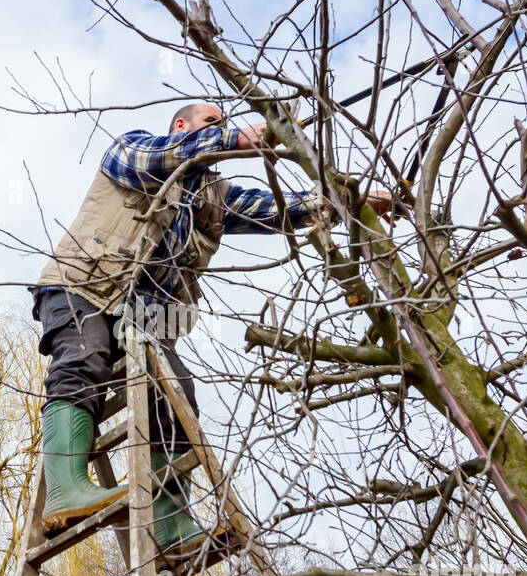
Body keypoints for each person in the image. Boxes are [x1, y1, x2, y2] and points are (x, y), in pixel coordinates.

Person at [29, 101, 391, 552]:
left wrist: (350, 203)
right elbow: (166, 159)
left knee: (177, 393)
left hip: (142, 322)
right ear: (181, 126)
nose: (219, 130)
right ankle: (65, 489)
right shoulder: (133, 149)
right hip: (81, 288)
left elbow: (280, 211)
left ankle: (172, 527)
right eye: (210, 123)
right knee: (84, 357)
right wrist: (239, 136)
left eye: (222, 124)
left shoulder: (213, 195)